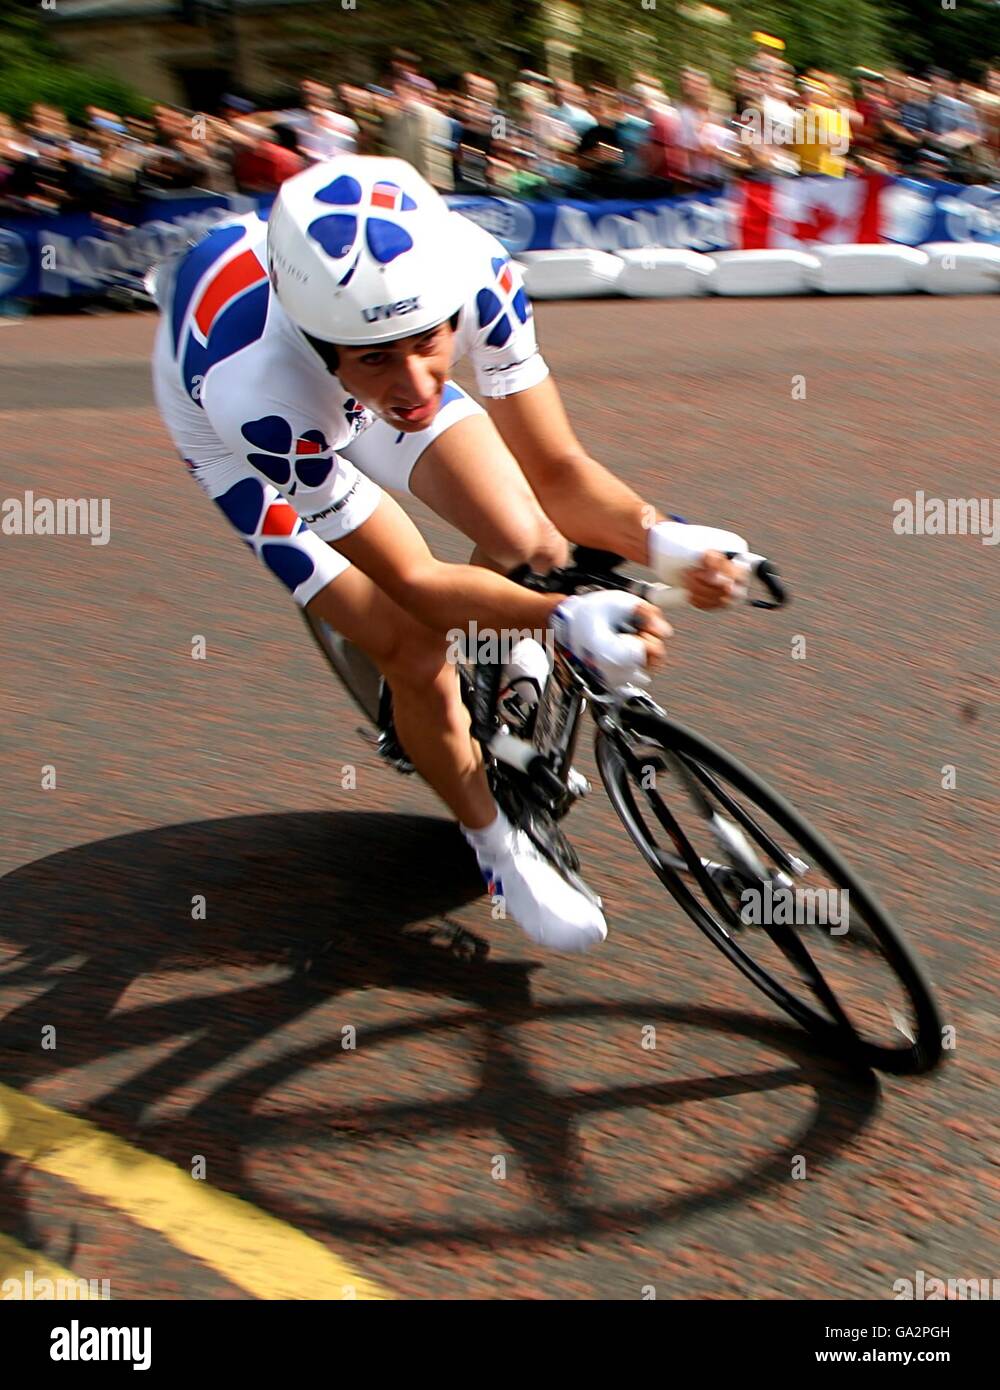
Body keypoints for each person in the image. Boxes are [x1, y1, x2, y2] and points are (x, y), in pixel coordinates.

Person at [151, 156, 744, 952]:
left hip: (324, 371)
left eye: (429, 341)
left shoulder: (469, 269)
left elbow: (558, 471)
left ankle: (508, 672)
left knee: (530, 537)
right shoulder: (253, 392)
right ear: (322, 342)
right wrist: (559, 612)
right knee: (411, 641)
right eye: (377, 358)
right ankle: (496, 843)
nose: (418, 382)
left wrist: (664, 539)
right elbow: (419, 582)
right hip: (256, 437)